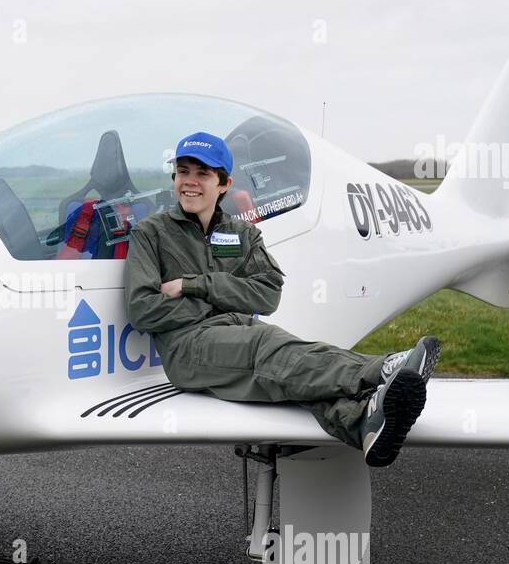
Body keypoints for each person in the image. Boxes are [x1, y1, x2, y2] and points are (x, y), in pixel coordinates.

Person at [124, 131, 439, 467]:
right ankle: (381, 369)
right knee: (269, 346)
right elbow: (142, 309)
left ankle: (362, 421)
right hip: (186, 350)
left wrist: (195, 285)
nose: (190, 182)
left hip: (235, 333)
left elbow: (268, 293)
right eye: (183, 172)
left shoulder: (241, 233)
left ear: (224, 183)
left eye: (202, 174)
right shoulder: (151, 233)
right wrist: (228, 298)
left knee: (290, 373)